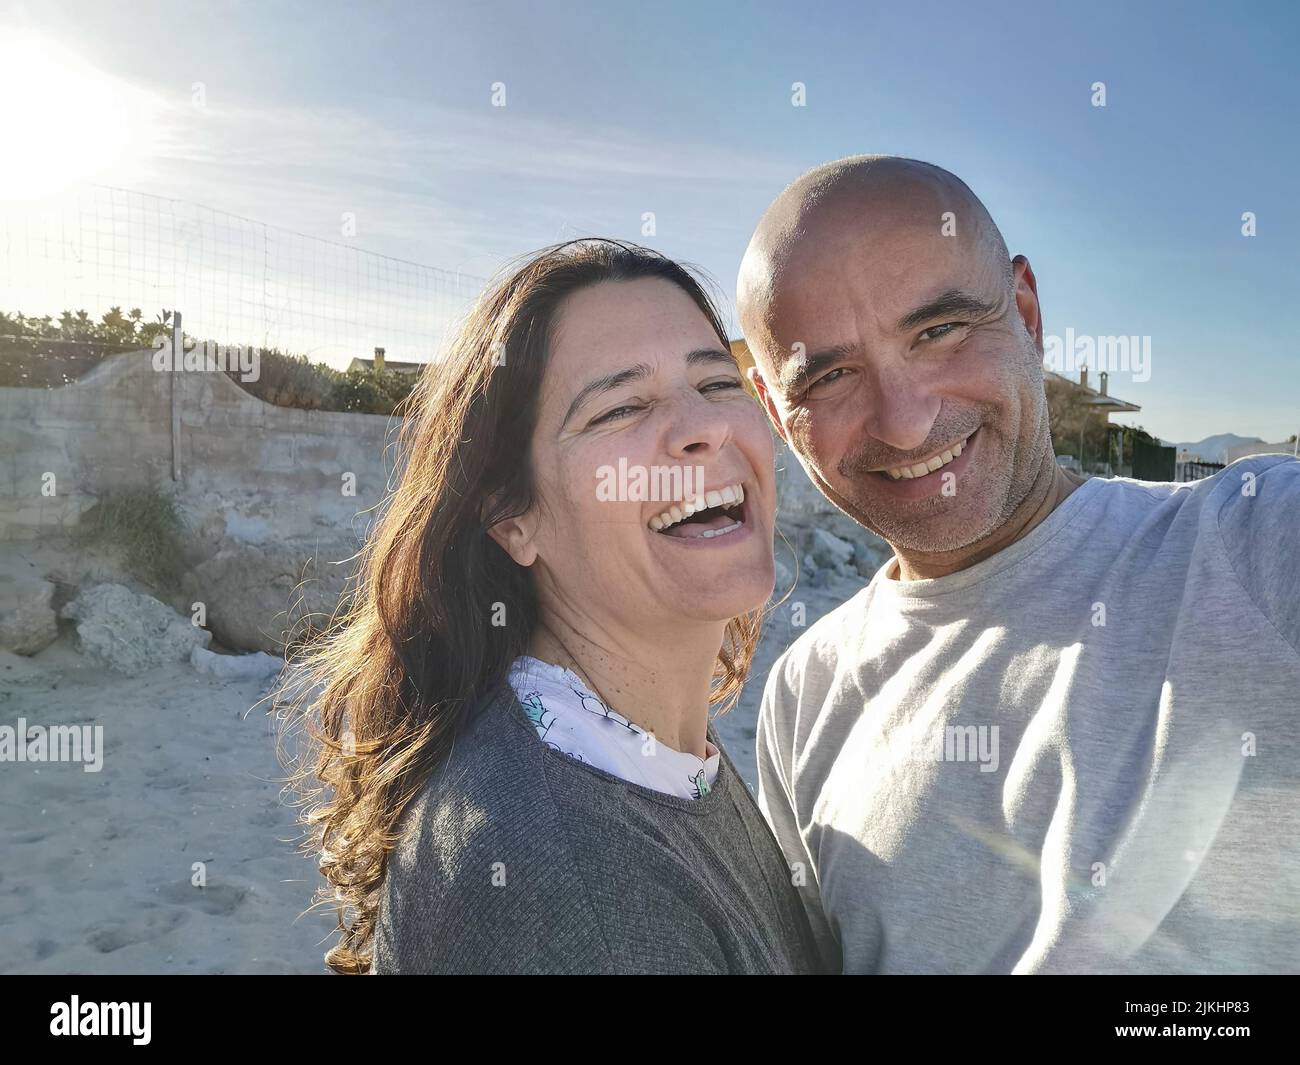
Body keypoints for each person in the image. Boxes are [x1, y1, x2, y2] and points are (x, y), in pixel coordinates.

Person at [737, 155, 1300, 974]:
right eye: (830, 375)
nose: (904, 421)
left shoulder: (1252, 541)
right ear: (777, 415)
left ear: (1027, 315)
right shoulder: (802, 695)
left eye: (937, 330)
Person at [289, 238, 823, 974]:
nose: (705, 426)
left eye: (717, 383)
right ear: (515, 516)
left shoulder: (651, 757)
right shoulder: (561, 888)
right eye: (620, 407)